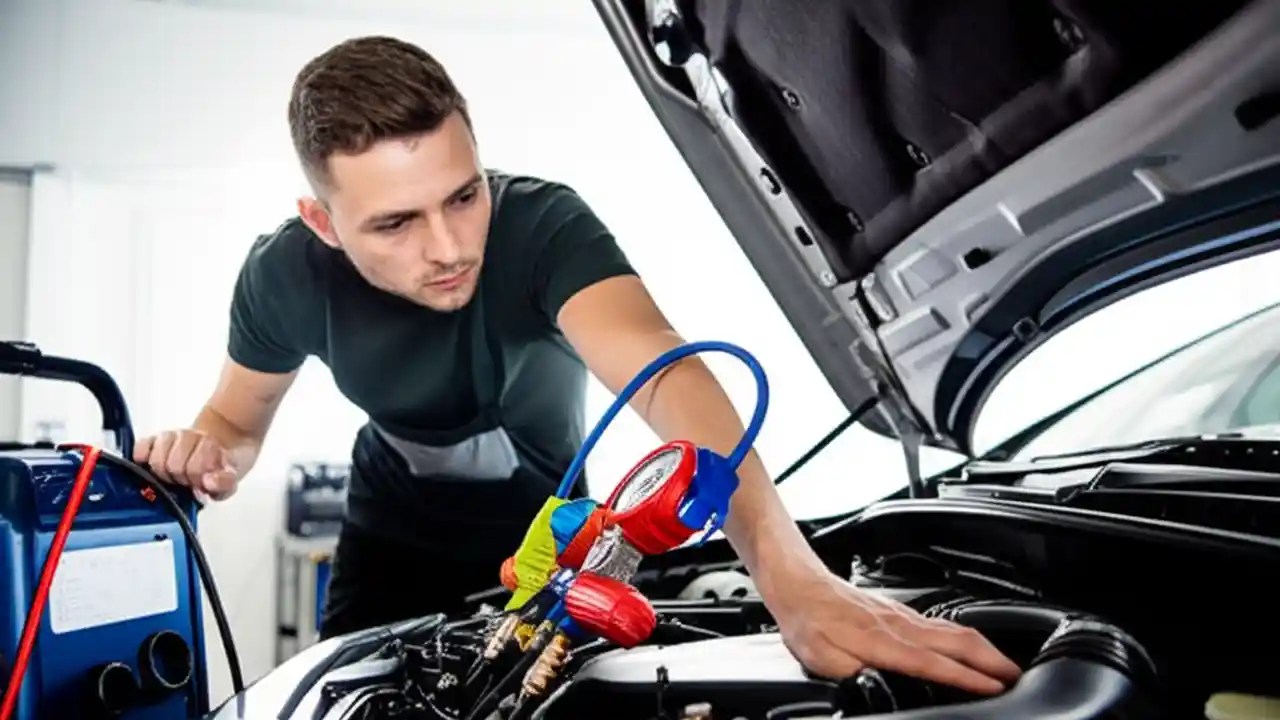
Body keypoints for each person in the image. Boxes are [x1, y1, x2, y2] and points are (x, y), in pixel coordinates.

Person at [133, 36, 1021, 695]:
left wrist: (791, 574)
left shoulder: (543, 226)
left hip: (551, 536)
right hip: (387, 543)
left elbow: (666, 376)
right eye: (396, 223)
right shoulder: (283, 273)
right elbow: (234, 429)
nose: (449, 247)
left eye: (463, 193)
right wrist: (201, 456)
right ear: (323, 222)